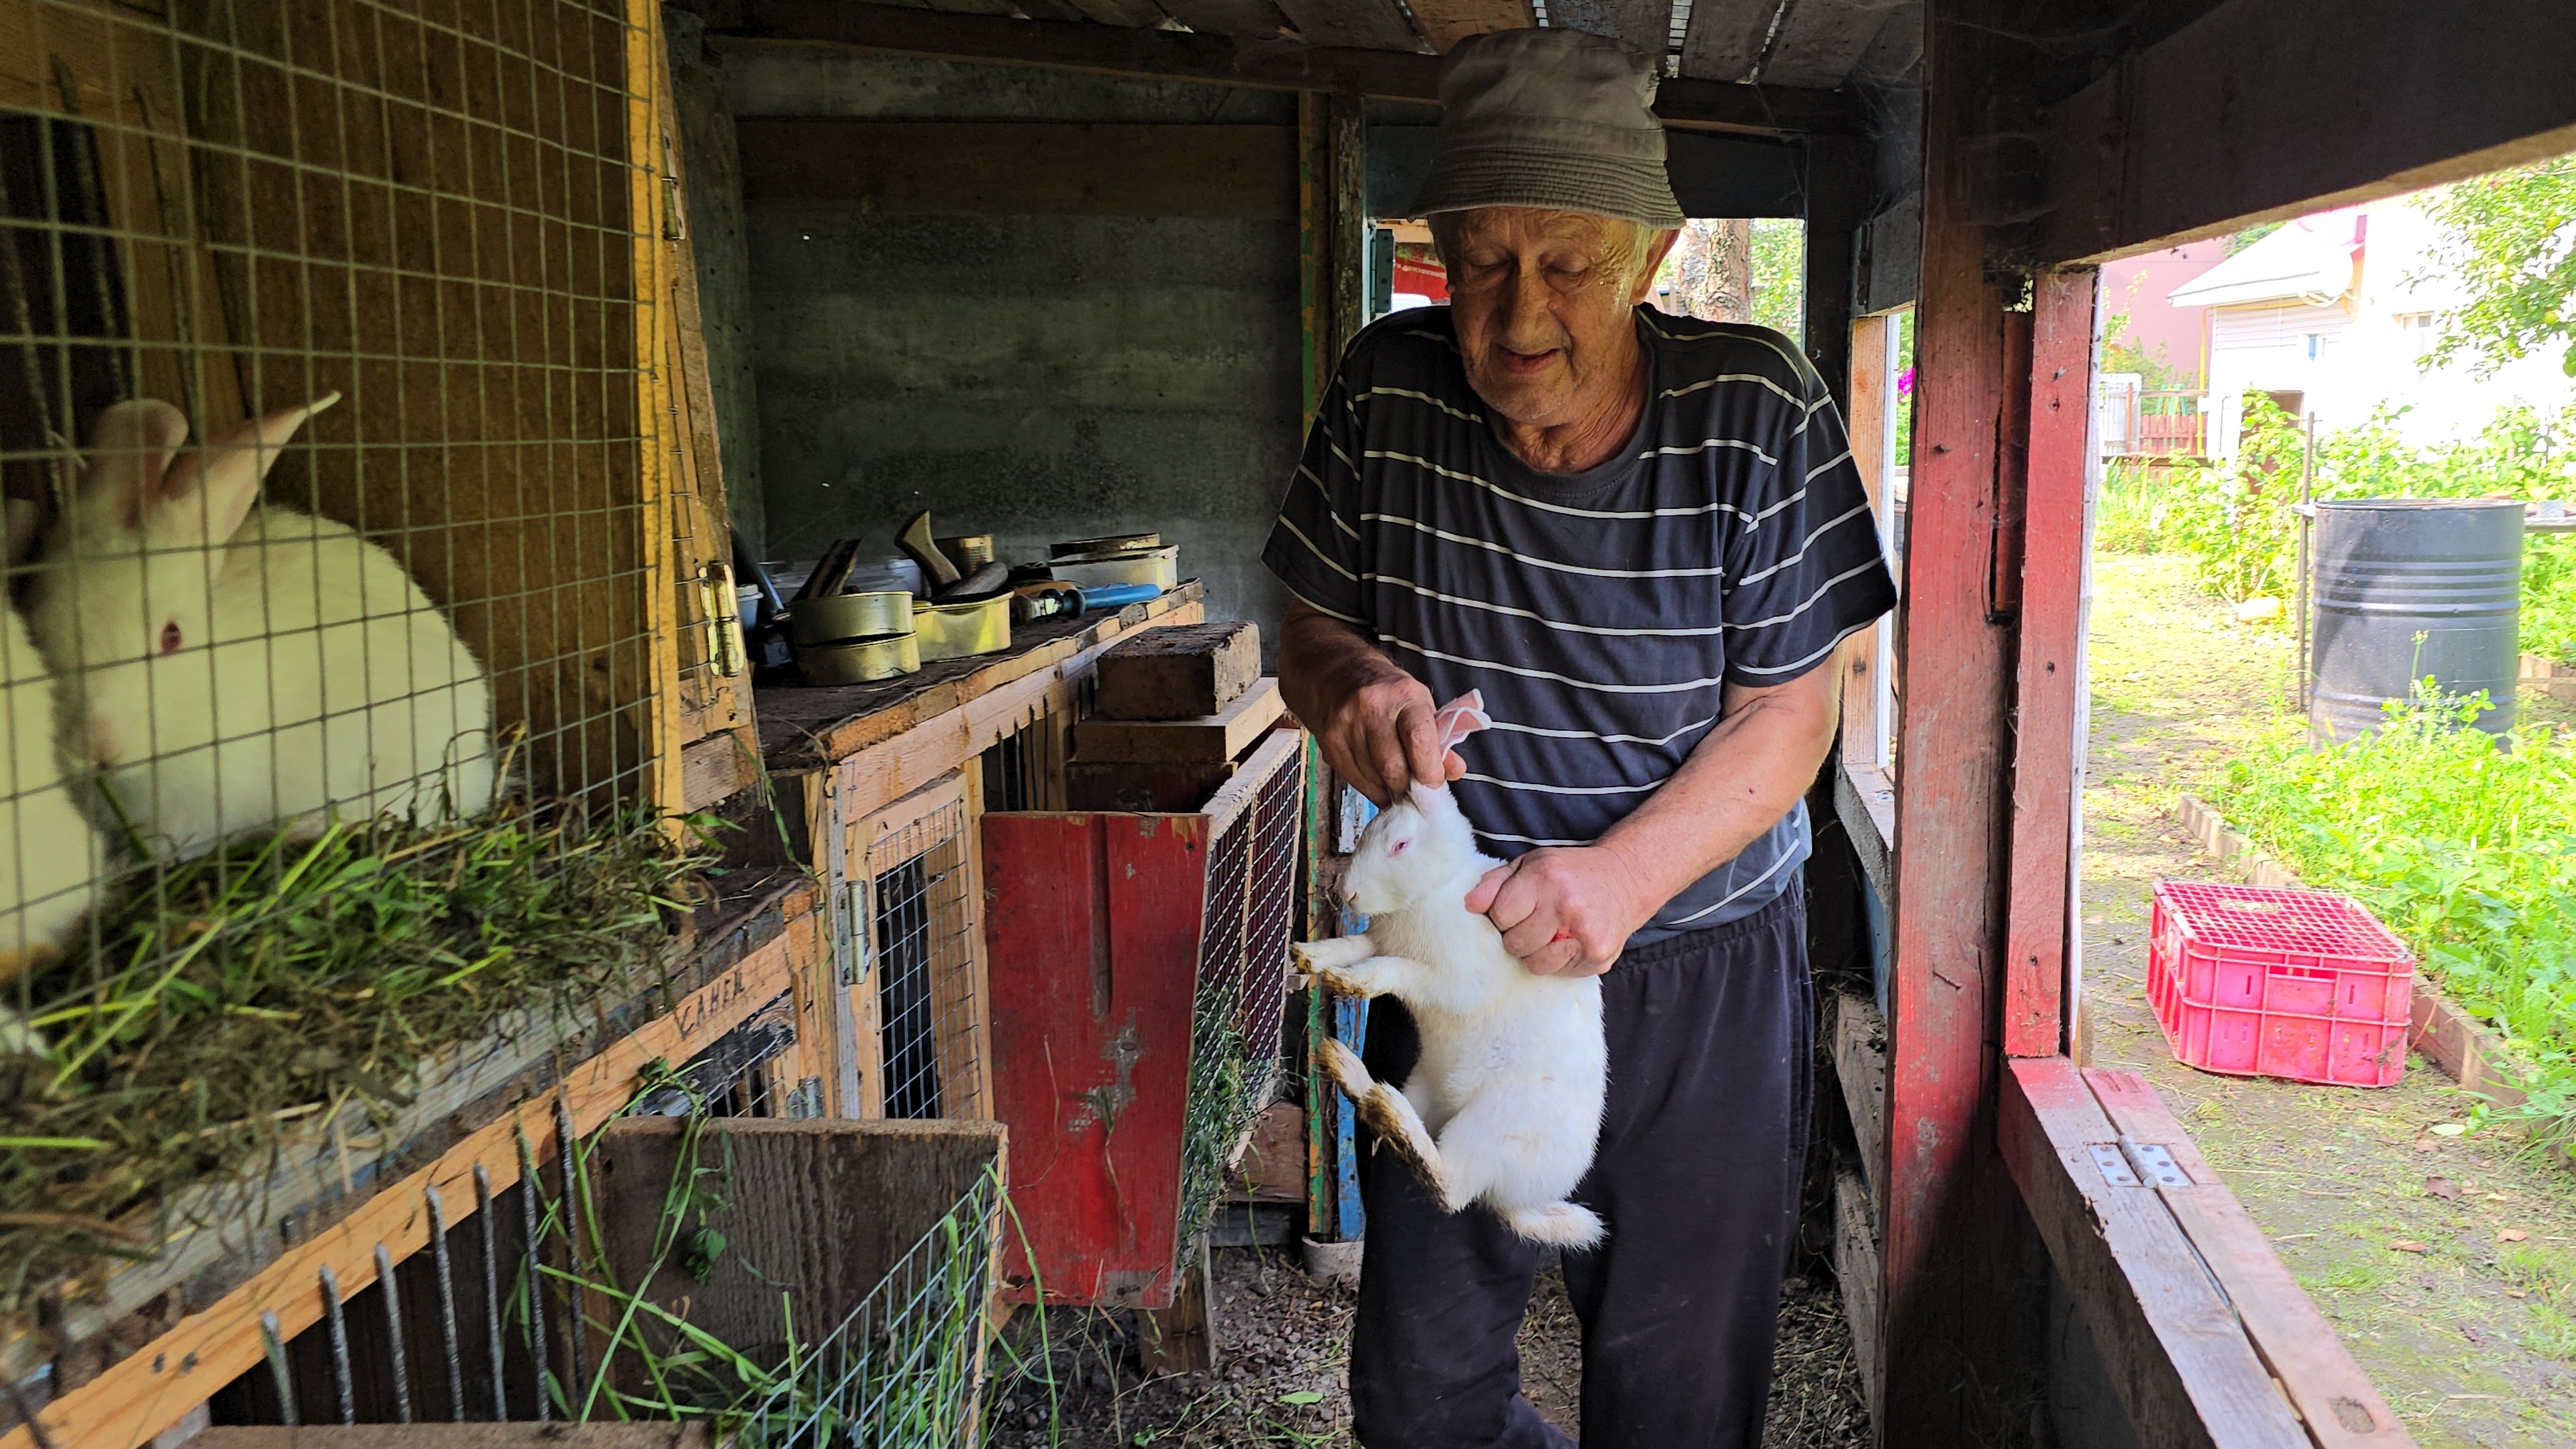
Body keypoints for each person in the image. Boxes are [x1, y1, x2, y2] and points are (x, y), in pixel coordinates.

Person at [1261, 26, 1899, 1449]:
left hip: (1698, 966)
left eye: (1570, 265)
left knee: (1676, 1399)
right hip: (1459, 964)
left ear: (1655, 254)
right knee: (1421, 1397)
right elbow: (1309, 629)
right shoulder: (1387, 390)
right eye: (1482, 260)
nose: (1518, 316)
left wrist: (1619, 878)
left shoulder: (1756, 407)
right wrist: (1351, 683)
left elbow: (1795, 710)